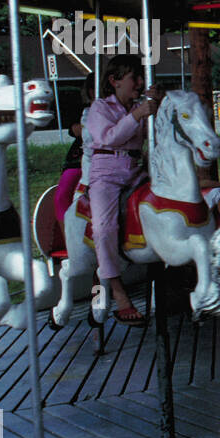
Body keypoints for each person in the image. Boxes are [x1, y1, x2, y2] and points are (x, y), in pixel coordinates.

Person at [87, 54, 161, 325]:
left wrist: (158, 104)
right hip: (107, 174)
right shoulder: (100, 108)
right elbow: (108, 137)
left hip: (135, 171)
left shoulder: (140, 107)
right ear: (114, 81)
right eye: (135, 78)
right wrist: (138, 115)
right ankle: (119, 295)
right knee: (103, 228)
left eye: (142, 78)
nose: (140, 83)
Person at [56, 76, 94, 227]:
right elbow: (75, 130)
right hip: (80, 157)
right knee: (62, 195)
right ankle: (67, 238)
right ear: (91, 91)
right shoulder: (83, 110)